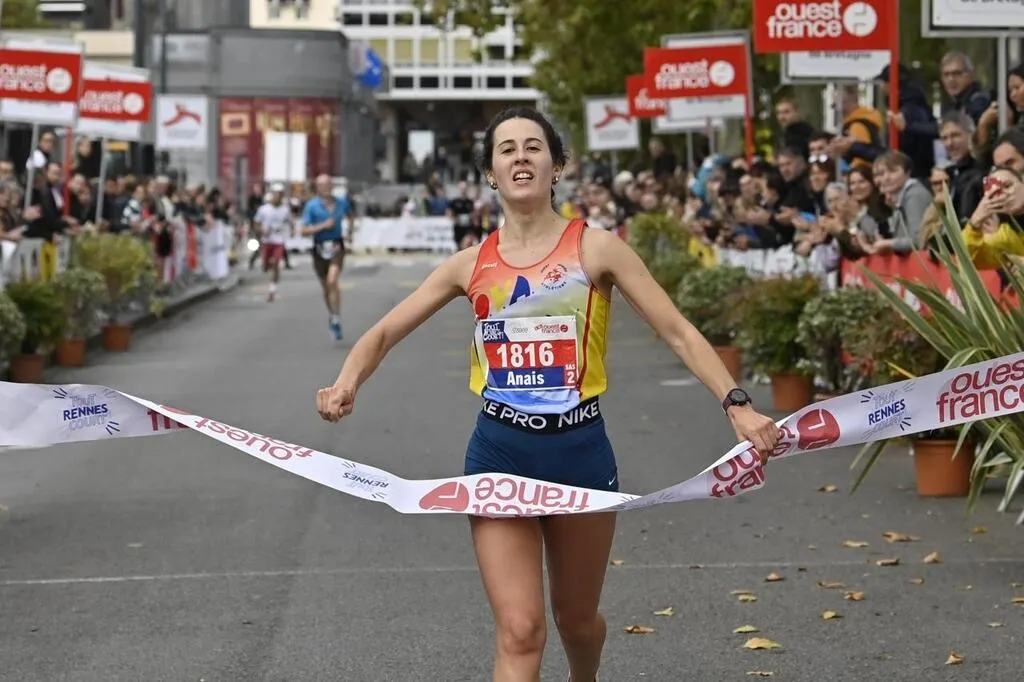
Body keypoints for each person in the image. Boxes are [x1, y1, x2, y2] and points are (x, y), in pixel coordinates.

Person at [315, 106, 781, 682]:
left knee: (577, 620)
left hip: (580, 453)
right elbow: (384, 331)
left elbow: (678, 331)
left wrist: (737, 404)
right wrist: (347, 381)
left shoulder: (597, 249)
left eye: (533, 147)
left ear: (556, 165)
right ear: (490, 172)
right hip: (499, 452)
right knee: (520, 631)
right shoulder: (470, 264)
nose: (520, 158)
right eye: (506, 149)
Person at [299, 175, 354, 341]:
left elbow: (351, 216)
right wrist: (323, 226)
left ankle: (336, 318)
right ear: (317, 187)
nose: (326, 188)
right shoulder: (312, 206)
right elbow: (303, 231)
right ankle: (333, 314)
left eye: (328, 184)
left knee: (332, 280)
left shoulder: (341, 203)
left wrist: (349, 232)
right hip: (319, 247)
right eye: (322, 185)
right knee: (325, 287)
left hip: (336, 245)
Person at [253, 183, 292, 302]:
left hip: (279, 241)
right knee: (265, 267)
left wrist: (290, 231)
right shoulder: (264, 209)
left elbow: (290, 222)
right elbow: (256, 223)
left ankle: (272, 290)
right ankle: (269, 268)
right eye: (275, 194)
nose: (278, 197)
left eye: (280, 195)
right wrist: (261, 230)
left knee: (275, 263)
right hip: (267, 241)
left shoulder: (285, 209)